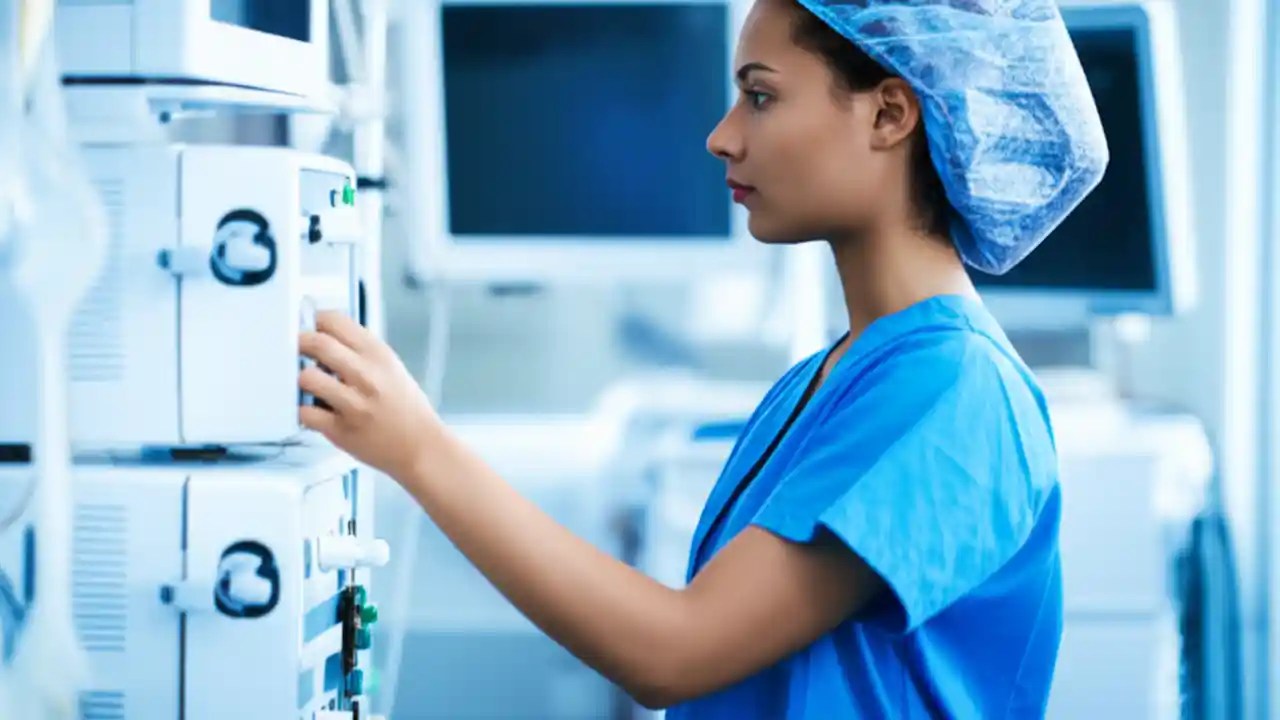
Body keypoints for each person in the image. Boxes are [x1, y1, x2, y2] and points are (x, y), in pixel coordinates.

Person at [298, 0, 1105, 716]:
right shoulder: (826, 379)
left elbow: (672, 652)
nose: (723, 137)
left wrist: (419, 450)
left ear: (889, 114)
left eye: (762, 96)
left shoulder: (954, 389)